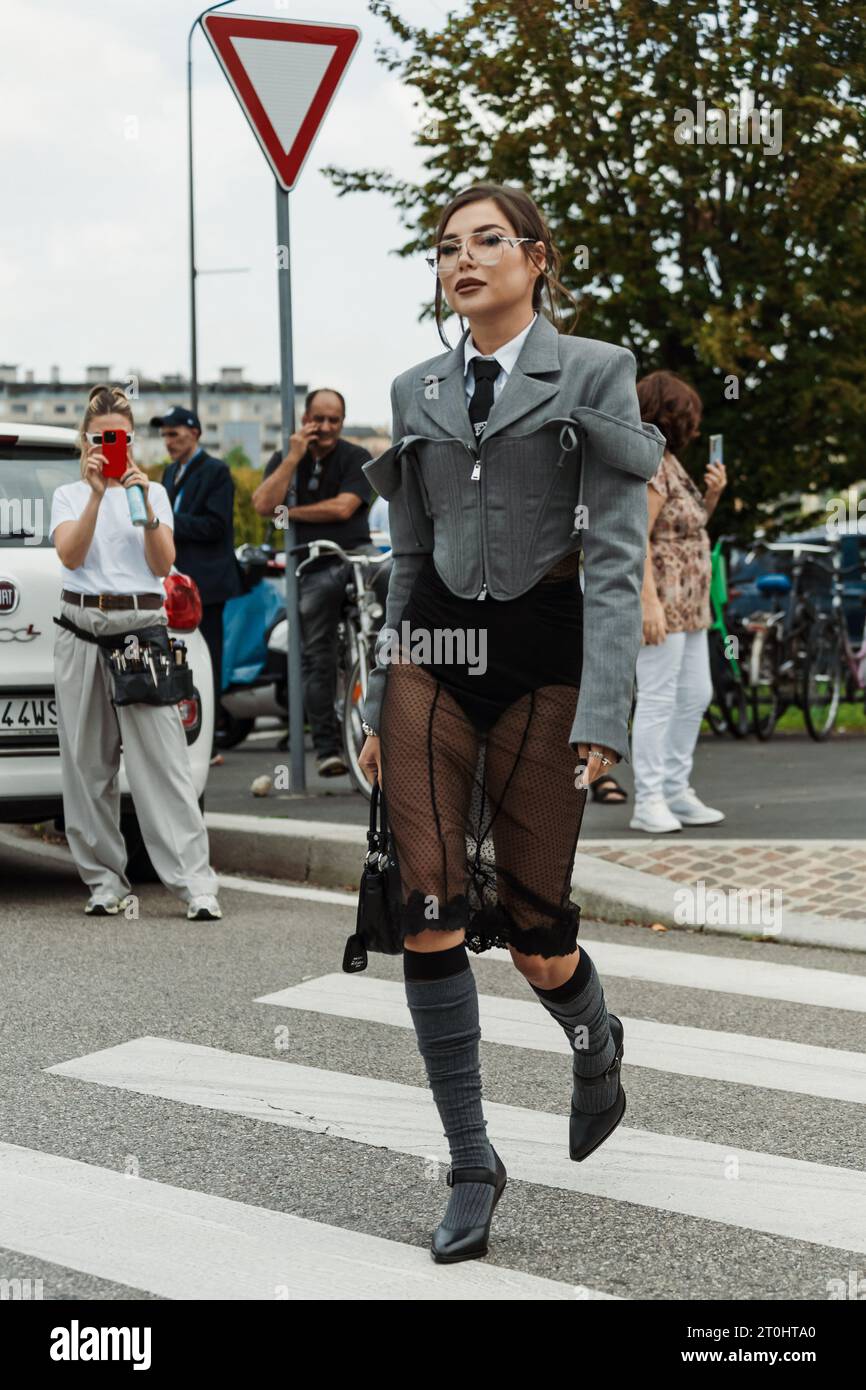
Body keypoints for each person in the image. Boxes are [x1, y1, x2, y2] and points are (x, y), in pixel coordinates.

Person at [356, 183, 665, 1264]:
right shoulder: (412, 387)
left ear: (535, 259)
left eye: (487, 240)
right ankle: (472, 1159)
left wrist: (607, 711)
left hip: (544, 662)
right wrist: (374, 694)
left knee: (536, 933)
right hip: (431, 659)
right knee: (426, 903)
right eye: (447, 246)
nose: (463, 258)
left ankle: (594, 1035)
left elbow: (618, 561)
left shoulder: (594, 371)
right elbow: (403, 554)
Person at [49, 384, 222, 920]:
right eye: (102, 438)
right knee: (87, 766)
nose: (110, 446)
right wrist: (99, 493)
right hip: (81, 627)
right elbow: (71, 556)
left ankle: (196, 885)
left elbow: (161, 563)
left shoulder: (154, 494)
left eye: (120, 437)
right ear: (86, 438)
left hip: (140, 633)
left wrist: (140, 502)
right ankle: (104, 881)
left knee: (164, 766)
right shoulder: (69, 496)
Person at [252, 389, 376, 778]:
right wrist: (292, 458)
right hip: (312, 566)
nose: (324, 427)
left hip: (356, 556)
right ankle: (328, 749)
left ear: (342, 421)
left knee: (395, 616)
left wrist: (288, 512)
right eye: (317, 419)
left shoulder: (357, 457)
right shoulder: (286, 458)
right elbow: (261, 505)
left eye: (333, 420)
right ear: (304, 419)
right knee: (316, 655)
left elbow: (345, 507)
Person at [630, 370, 728, 833]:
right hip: (664, 602)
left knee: (694, 694)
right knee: (658, 698)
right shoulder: (651, 462)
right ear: (669, 413)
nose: (694, 422)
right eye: (688, 413)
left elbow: (687, 527)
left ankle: (674, 789)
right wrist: (649, 603)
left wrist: (711, 497)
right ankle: (649, 799)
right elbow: (638, 539)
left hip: (690, 605)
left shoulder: (670, 462)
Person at [152, 406, 240, 766]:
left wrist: (166, 521)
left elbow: (215, 525)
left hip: (207, 586)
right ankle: (180, 732)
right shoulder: (170, 472)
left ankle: (210, 741)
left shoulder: (216, 471)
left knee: (208, 661)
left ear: (196, 433)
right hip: (175, 585)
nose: (169, 442)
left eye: (175, 434)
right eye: (165, 435)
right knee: (176, 660)